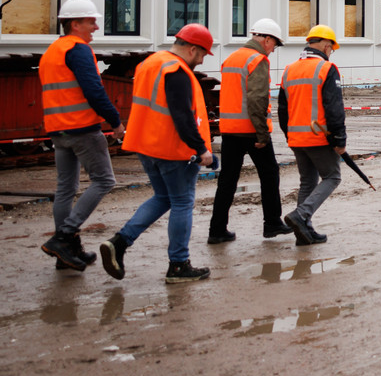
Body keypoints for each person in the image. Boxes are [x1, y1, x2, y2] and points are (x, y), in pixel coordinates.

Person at [98, 23, 216, 284]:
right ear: (192, 49)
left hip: (147, 146)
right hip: (173, 150)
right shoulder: (177, 71)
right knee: (182, 202)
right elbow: (182, 116)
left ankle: (119, 243)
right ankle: (178, 265)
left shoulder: (150, 64)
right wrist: (201, 150)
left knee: (163, 197)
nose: (202, 60)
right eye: (202, 54)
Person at [39, 0, 125, 272]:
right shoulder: (78, 50)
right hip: (82, 129)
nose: (95, 27)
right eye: (91, 22)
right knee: (104, 180)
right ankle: (64, 237)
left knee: (65, 188)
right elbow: (94, 90)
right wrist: (115, 121)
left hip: (58, 129)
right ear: (75, 24)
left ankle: (67, 252)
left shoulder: (53, 51)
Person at [208, 18, 289, 244]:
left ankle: (217, 230)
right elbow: (257, 99)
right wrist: (262, 134)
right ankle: (272, 223)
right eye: (275, 44)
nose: (273, 50)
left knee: (227, 180)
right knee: (269, 174)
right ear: (266, 39)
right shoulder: (257, 60)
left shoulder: (232, 58)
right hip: (251, 131)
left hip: (230, 130)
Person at [278, 25, 348, 245]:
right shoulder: (326, 68)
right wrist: (339, 139)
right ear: (326, 46)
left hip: (296, 138)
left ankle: (304, 232)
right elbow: (334, 107)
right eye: (331, 49)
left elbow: (282, 109)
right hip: (318, 136)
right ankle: (301, 215)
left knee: (307, 182)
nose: (331, 53)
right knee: (332, 177)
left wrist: (289, 135)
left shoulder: (289, 70)